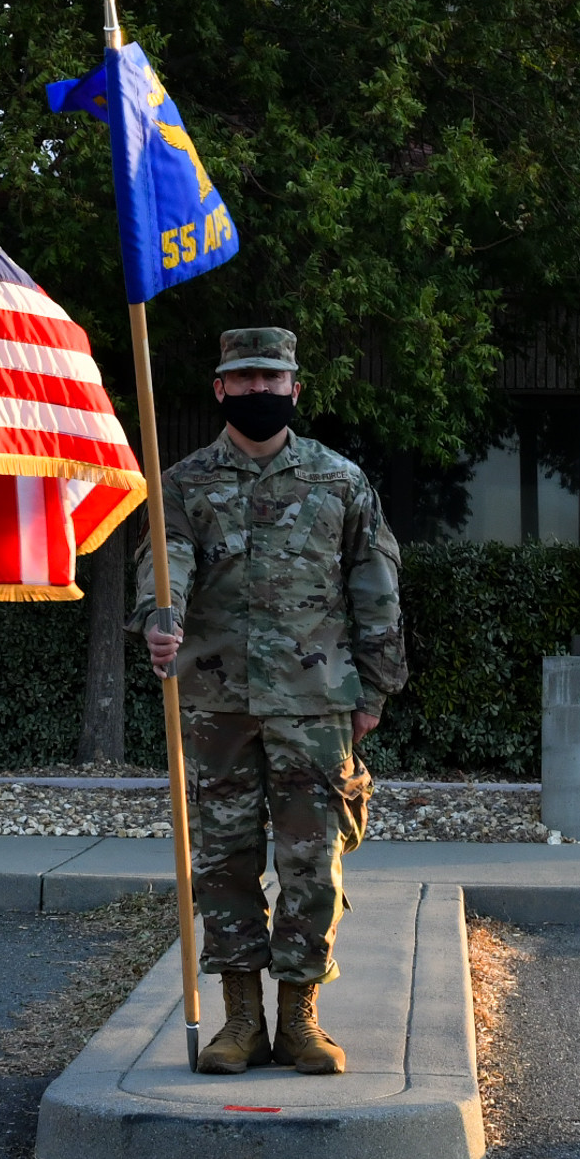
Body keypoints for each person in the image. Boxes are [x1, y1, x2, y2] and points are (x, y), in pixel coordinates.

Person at [141, 326, 405, 1075]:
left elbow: (374, 583)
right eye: (244, 378)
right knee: (222, 861)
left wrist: (375, 688)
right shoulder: (183, 482)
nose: (258, 390)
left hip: (315, 703)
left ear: (294, 388)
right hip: (216, 699)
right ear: (220, 388)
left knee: (312, 861)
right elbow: (165, 561)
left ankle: (299, 1019)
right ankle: (241, 1022)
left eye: (271, 378)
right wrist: (162, 619)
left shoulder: (339, 481)